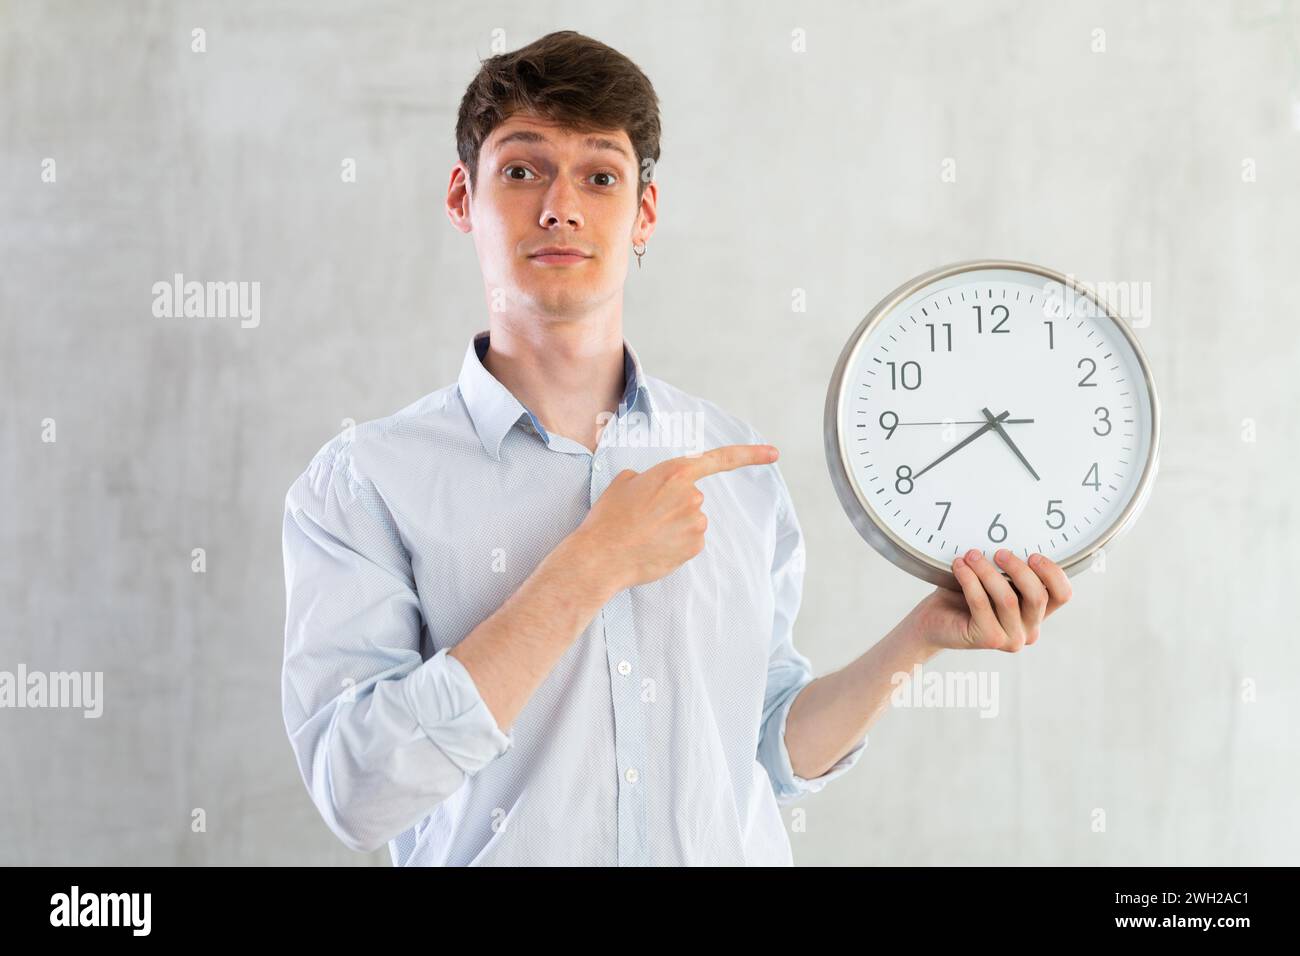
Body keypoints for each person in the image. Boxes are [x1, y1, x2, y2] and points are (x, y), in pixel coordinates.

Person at [280, 30, 1073, 866]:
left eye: (600, 175)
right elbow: (358, 791)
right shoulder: (365, 482)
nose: (562, 206)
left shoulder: (733, 463)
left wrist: (919, 636)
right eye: (521, 170)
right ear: (460, 197)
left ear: (644, 214)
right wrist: (589, 568)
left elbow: (768, 749)